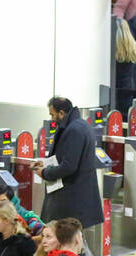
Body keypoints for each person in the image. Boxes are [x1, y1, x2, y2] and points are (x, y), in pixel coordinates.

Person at [31, 96, 101, 231]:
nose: (51, 119)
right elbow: (64, 156)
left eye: (52, 114)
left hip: (71, 198)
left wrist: (45, 172)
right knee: (75, 239)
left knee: (68, 238)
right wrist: (45, 163)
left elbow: (69, 166)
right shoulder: (82, 125)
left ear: (61, 113)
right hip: (79, 196)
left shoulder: (73, 130)